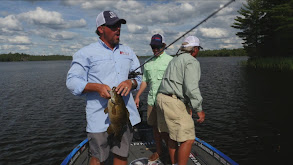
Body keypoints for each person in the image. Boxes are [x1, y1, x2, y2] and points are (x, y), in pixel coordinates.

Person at [66, 10, 142, 165]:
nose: (118, 29)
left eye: (119, 25)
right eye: (113, 26)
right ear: (101, 29)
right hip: (98, 119)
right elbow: (72, 81)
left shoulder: (128, 51)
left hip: (125, 116)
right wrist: (96, 87)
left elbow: (139, 77)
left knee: (122, 154)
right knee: (97, 157)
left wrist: (131, 83)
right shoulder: (86, 53)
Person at [156, 36, 206, 165]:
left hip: (161, 99)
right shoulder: (191, 61)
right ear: (194, 49)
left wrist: (187, 106)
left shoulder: (175, 59)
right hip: (173, 101)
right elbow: (191, 87)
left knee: (172, 136)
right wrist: (198, 109)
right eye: (198, 49)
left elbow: (179, 85)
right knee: (188, 139)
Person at [134, 34, 173, 161]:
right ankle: (159, 151)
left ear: (163, 46)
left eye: (157, 47)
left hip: (166, 102)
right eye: (153, 47)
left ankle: (172, 154)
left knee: (166, 130)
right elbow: (145, 81)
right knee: (155, 129)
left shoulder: (171, 61)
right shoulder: (147, 62)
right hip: (152, 101)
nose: (155, 49)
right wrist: (138, 96)